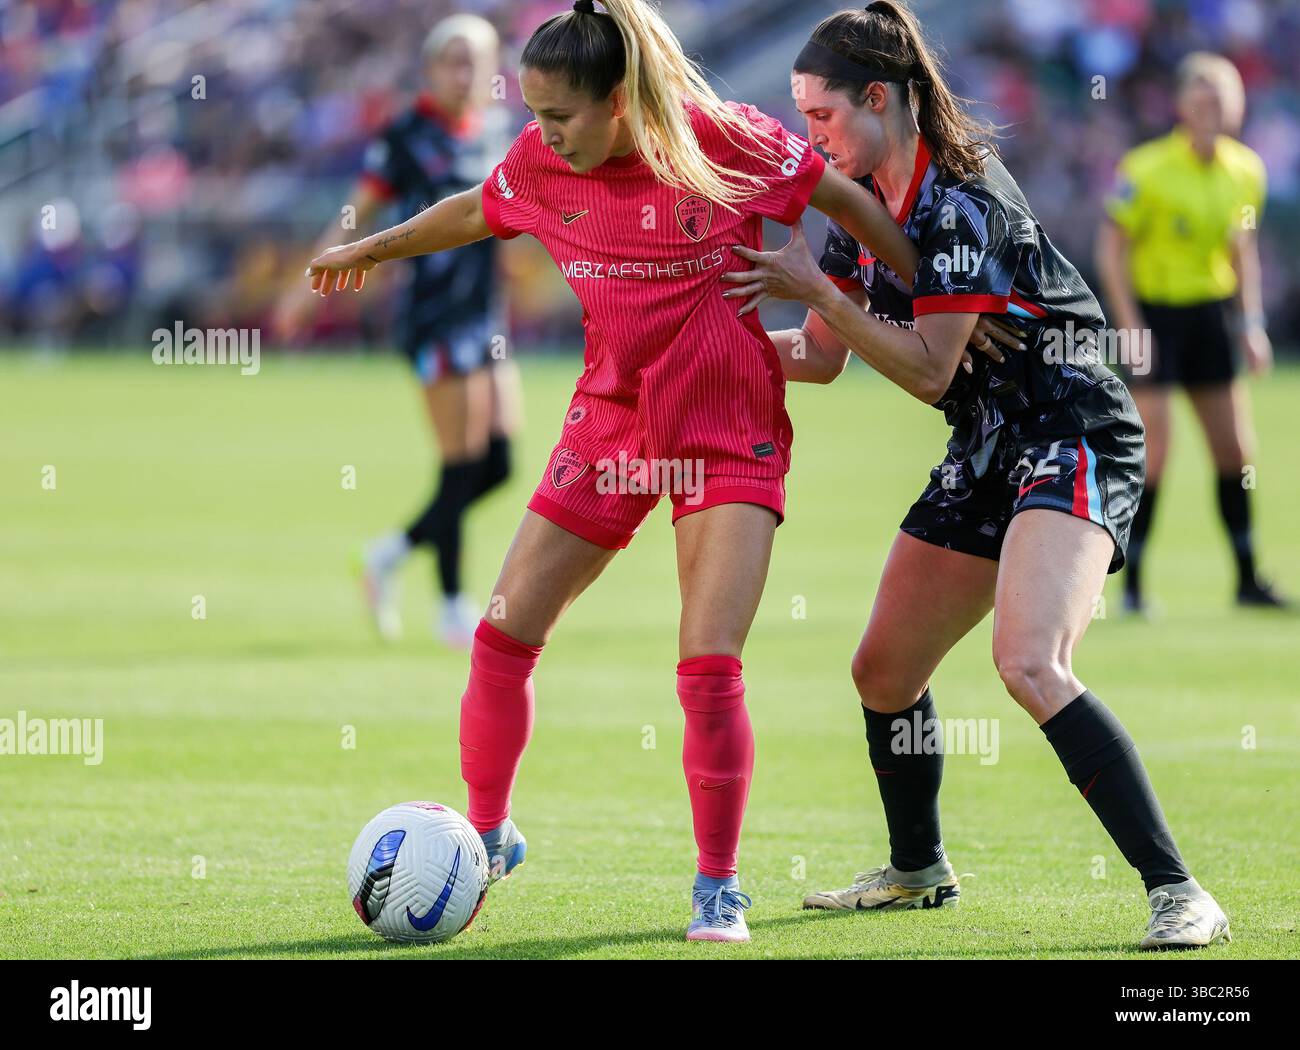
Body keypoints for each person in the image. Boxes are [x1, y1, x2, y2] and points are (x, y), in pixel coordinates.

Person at [303, 0, 919, 943]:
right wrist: (367, 250)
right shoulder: (545, 162)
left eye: (558, 117)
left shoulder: (731, 144)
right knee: (502, 636)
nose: (541, 137)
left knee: (708, 669)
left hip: (726, 429)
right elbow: (474, 210)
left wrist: (936, 287)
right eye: (535, 117)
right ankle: (484, 835)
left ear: (622, 103)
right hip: (612, 432)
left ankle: (719, 888)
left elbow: (845, 202)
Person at [722, 1, 1230, 949]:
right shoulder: (862, 197)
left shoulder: (962, 198)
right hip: (990, 444)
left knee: (1029, 662)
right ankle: (918, 870)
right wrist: (708, 338)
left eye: (821, 115)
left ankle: (1180, 892)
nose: (809, 136)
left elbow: (925, 367)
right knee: (883, 671)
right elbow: (825, 356)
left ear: (881, 98)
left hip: (1071, 428)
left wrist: (820, 288)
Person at [275, 14, 521, 648]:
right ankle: (450, 606)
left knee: (498, 464)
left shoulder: (499, 128)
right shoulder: (408, 135)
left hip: (484, 312)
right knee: (460, 462)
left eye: (477, 61)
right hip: (434, 315)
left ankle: (388, 555)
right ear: (432, 67)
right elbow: (360, 209)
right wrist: (311, 282)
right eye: (453, 61)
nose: (465, 73)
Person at [1096, 51, 1286, 613]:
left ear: (1238, 105)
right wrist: (1130, 325)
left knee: (1235, 452)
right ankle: (1131, 586)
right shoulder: (1145, 170)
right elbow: (1113, 250)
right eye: (1201, 98)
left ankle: (1248, 578)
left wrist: (1251, 323)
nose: (1212, 108)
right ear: (1181, 105)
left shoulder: (1246, 170)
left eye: (1222, 98)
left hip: (1210, 316)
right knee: (1155, 453)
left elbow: (1241, 247)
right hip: (1155, 316)